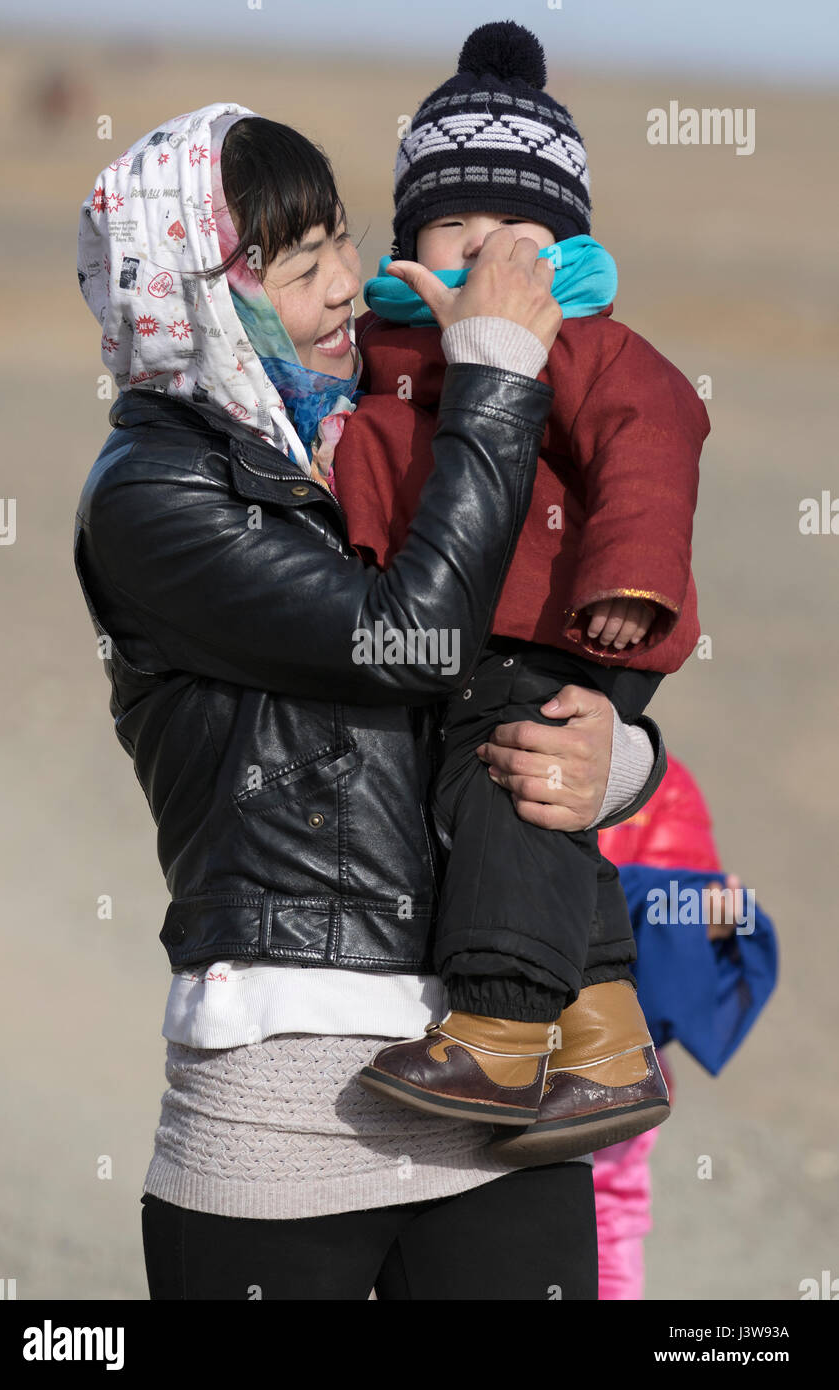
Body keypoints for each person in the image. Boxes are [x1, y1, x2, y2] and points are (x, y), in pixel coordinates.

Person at [74, 102, 666, 1300]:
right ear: (198, 305)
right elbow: (419, 636)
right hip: (285, 1126)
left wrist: (621, 761)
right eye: (301, 267)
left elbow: (534, 646)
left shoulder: (388, 426)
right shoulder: (153, 498)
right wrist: (500, 371)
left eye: (345, 236)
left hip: (509, 1090)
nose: (351, 282)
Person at [332, 21, 709, 1160]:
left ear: (568, 245)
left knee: (506, 789)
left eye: (522, 230)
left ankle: (496, 1029)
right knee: (552, 817)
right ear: (411, 235)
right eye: (458, 225)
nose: (492, 251)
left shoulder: (575, 336)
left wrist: (629, 584)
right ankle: (600, 1040)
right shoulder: (388, 345)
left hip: (556, 620)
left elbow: (657, 433)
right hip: (453, 620)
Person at [593, 753, 778, 1298]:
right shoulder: (661, 778)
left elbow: (705, 911)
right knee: (606, 1215)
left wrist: (702, 915)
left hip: (587, 1058)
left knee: (602, 1213)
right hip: (622, 1059)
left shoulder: (659, 782)